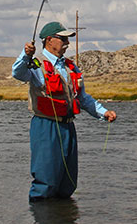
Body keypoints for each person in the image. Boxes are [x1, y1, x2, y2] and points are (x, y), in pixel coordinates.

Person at [12, 20, 117, 201]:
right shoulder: (36, 64)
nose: (67, 44)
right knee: (46, 180)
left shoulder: (70, 67)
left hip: (68, 127)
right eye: (63, 39)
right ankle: (42, 223)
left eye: (67, 40)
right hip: (46, 127)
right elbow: (18, 73)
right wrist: (25, 55)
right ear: (49, 40)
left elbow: (82, 98)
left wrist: (103, 112)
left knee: (68, 182)